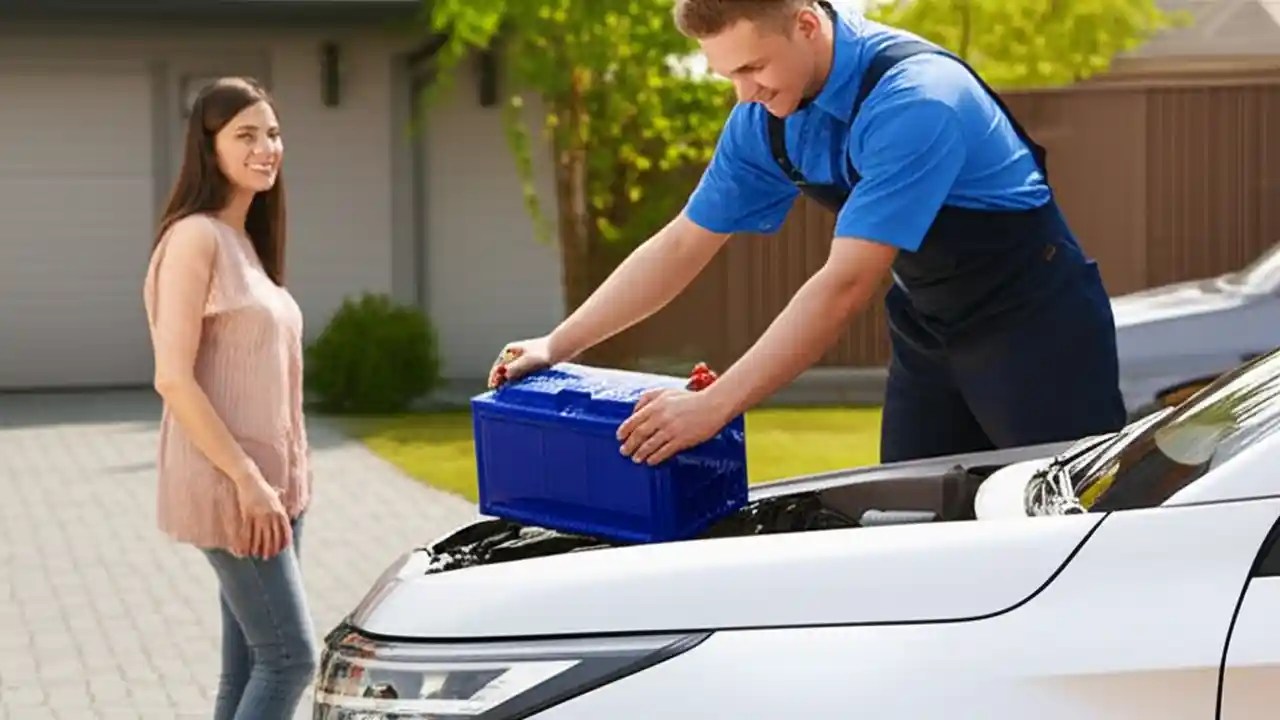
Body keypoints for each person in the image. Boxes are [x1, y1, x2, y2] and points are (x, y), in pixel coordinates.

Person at [489, 0, 1127, 467]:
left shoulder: (915, 100)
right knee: (910, 530)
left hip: (1034, 327)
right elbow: (684, 243)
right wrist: (558, 342)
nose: (745, 92)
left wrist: (715, 407)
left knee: (1070, 533)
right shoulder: (765, 115)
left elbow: (845, 284)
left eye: (755, 66)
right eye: (729, 75)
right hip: (930, 326)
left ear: (807, 24)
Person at [142, 77, 316, 719]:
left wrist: (280, 481)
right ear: (207, 147)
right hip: (235, 486)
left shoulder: (246, 243)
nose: (266, 147)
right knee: (291, 658)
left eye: (272, 133)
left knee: (247, 663)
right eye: (245, 135)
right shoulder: (196, 238)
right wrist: (246, 478)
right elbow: (173, 377)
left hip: (276, 491)